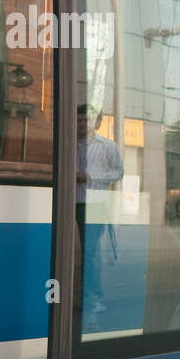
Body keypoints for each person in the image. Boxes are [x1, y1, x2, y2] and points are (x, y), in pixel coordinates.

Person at [75, 104, 123, 316]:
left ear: (98, 122)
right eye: (79, 120)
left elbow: (119, 173)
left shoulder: (108, 146)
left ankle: (94, 297)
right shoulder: (68, 144)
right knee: (65, 252)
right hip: (68, 203)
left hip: (95, 203)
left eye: (87, 120)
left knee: (90, 252)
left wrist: (91, 176)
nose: (83, 124)